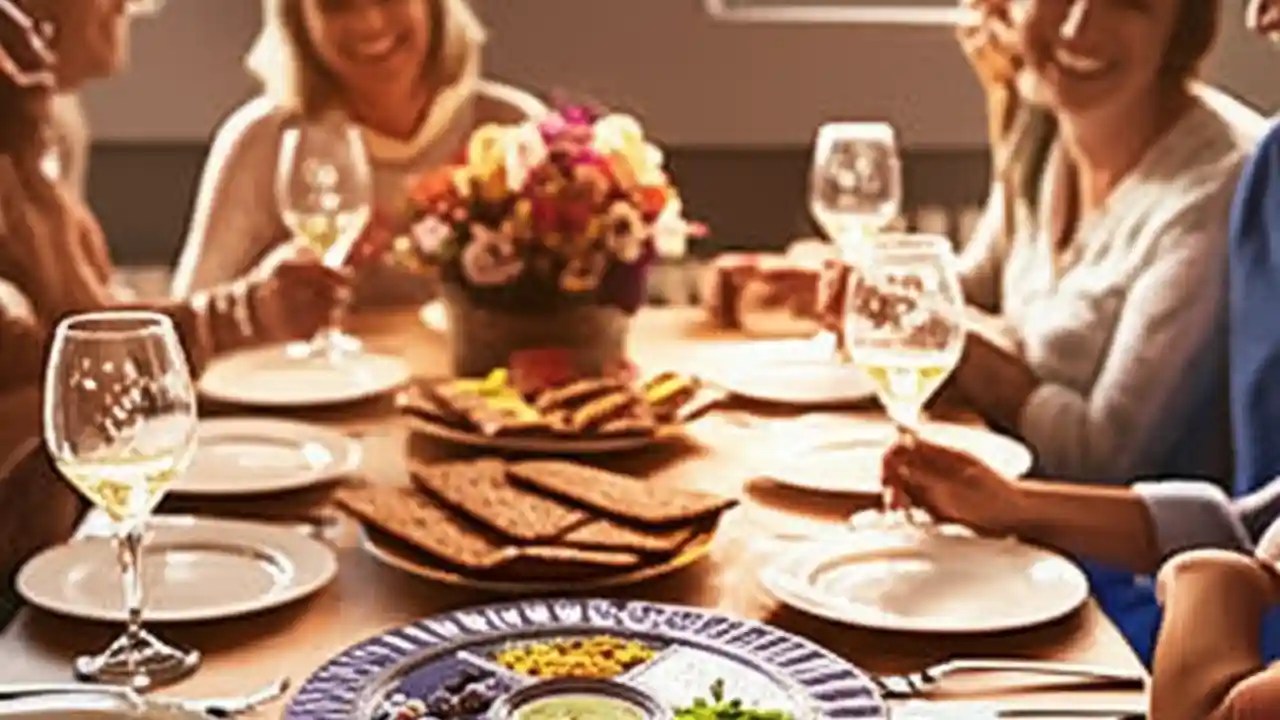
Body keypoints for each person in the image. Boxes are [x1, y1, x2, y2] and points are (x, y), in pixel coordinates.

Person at [0, 0, 349, 622]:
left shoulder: (45, 120)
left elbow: (90, 324)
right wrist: (236, 316)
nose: (127, 5)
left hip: (60, 546)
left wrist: (246, 312)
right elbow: (65, 370)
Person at [951, 0, 1268, 484]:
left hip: (1123, 549)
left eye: (1127, 3)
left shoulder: (1218, 186)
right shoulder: (1044, 111)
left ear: (1181, 28)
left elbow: (1107, 458)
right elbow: (975, 285)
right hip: (1006, 494)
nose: (1079, 25)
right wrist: (867, 280)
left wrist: (979, 363)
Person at [170, 0, 548, 308]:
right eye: (336, 5)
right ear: (299, 22)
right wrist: (267, 296)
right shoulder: (262, 140)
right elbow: (186, 317)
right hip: (312, 393)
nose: (369, 22)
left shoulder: (511, 126)